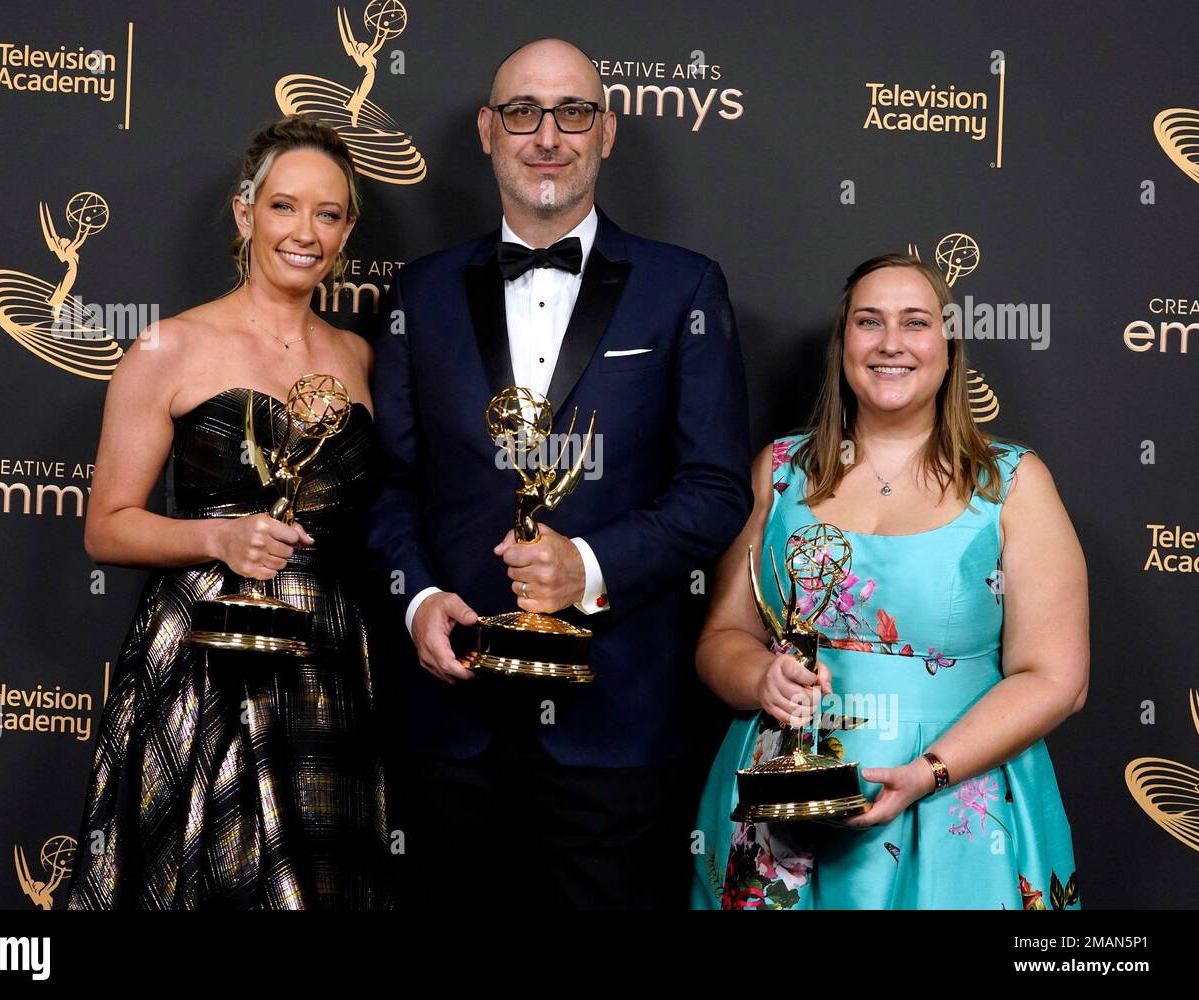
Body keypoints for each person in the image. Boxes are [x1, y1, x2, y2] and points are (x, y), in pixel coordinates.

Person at [368, 38, 752, 909]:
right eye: (522, 113)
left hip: (618, 719)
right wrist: (419, 599)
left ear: (607, 132)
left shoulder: (684, 289)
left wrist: (590, 566)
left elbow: (716, 489)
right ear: (486, 131)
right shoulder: (419, 295)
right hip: (450, 717)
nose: (548, 135)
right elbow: (392, 484)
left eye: (572, 112)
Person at [692, 253, 1089, 909]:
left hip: (960, 808)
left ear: (948, 345)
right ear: (843, 342)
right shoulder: (781, 471)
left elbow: (1056, 679)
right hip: (780, 812)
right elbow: (723, 638)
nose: (891, 344)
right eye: (869, 322)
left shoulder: (1012, 483)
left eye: (915, 322)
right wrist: (760, 676)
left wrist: (926, 773)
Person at [63, 115, 391, 909]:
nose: (304, 233)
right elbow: (107, 526)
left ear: (348, 230)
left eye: (327, 214)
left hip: (326, 661)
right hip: (206, 656)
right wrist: (221, 537)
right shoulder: (166, 349)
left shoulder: (361, 357)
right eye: (284, 207)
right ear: (245, 213)